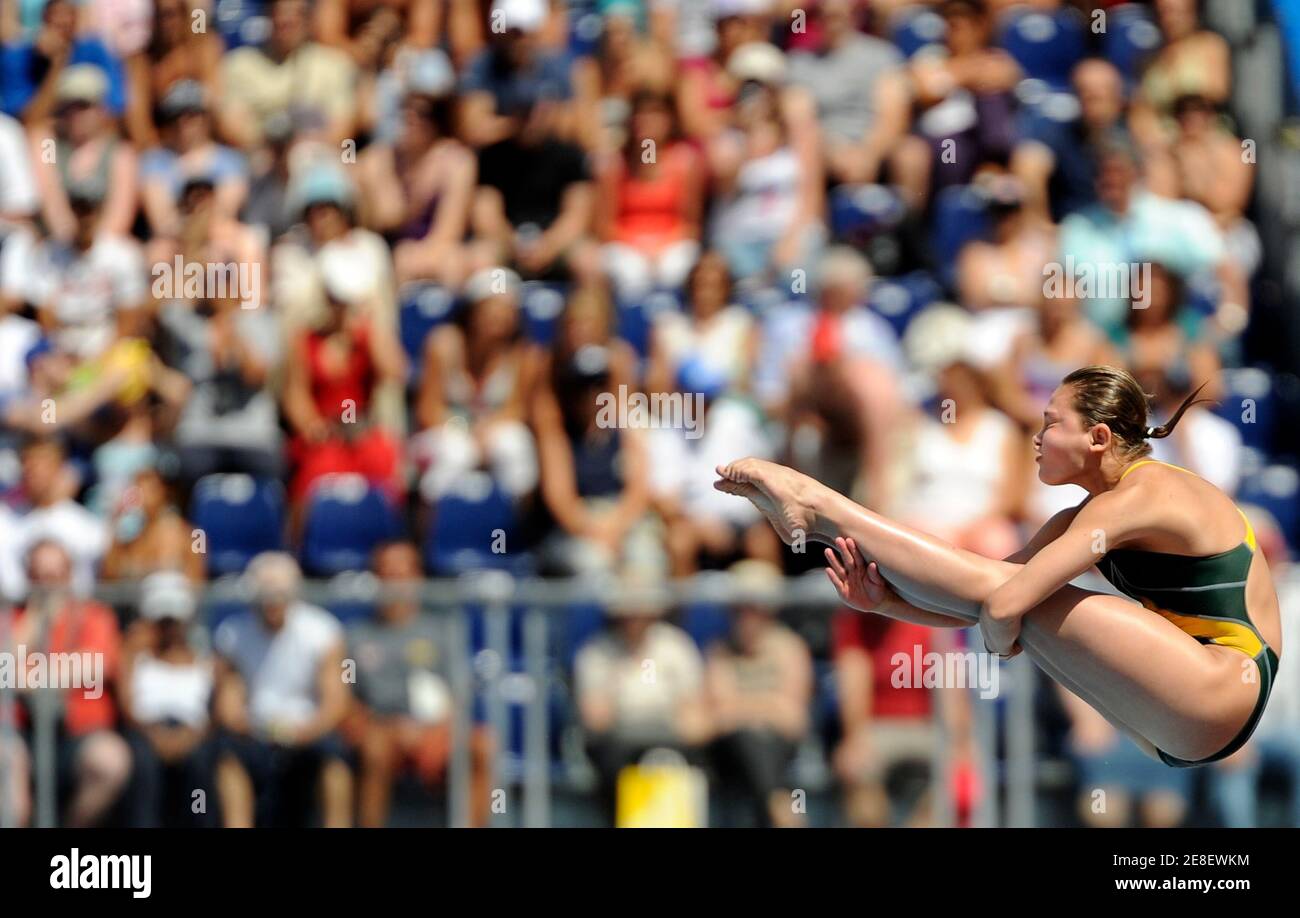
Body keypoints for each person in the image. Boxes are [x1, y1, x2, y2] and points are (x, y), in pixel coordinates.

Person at [716, 364, 1283, 769]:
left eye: (1049, 423)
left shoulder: (1146, 492)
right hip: (1185, 721)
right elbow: (977, 594)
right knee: (1004, 589)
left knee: (1014, 597)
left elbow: (1003, 602)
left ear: (1098, 437)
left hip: (1222, 687)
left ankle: (820, 505)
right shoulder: (1083, 517)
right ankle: (820, 512)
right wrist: (887, 603)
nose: (1034, 438)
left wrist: (1001, 630)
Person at [345, 541, 493, 827]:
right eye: (388, 574)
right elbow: (346, 702)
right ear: (376, 580)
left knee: (483, 746)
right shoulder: (355, 637)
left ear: (418, 577)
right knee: (375, 749)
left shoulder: (443, 631)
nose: (397, 584)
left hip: (436, 731)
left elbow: (459, 696)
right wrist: (386, 729)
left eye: (404, 574)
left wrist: (435, 734)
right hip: (382, 730)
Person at [212, 552, 353, 827]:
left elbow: (335, 703)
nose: (272, 603)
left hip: (309, 731)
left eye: (279, 595)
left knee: (334, 759)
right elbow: (228, 705)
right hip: (254, 732)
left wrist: (303, 732)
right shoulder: (232, 635)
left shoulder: (323, 631)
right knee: (228, 755)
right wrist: (255, 729)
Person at [575, 566, 711, 821]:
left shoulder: (676, 647)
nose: (633, 618)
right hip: (618, 745)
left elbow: (696, 723)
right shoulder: (596, 653)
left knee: (675, 761)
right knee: (618, 761)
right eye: (627, 612)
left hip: (670, 742)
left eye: (639, 611)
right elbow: (596, 720)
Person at [706, 559, 812, 828]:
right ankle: (778, 806)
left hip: (777, 748)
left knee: (757, 742)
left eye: (754, 608)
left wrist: (742, 708)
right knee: (749, 739)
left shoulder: (790, 648)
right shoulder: (719, 651)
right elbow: (714, 719)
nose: (746, 617)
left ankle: (774, 803)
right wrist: (768, 705)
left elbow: (793, 721)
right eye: (739, 609)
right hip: (729, 753)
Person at [119, 571, 218, 827]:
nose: (169, 627)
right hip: (145, 732)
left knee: (201, 764)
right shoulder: (135, 654)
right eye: (162, 620)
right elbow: (127, 703)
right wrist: (155, 736)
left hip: (191, 733)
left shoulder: (205, 657)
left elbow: (214, 710)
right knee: (142, 763)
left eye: (174, 619)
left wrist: (188, 738)